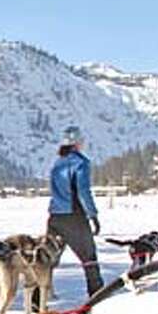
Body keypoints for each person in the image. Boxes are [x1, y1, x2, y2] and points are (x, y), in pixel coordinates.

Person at [47, 125, 103, 297]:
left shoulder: (57, 163)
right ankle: (97, 296)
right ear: (77, 143)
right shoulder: (80, 163)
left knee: (47, 258)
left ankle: (36, 298)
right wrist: (93, 214)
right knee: (89, 257)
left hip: (55, 216)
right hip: (73, 215)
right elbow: (83, 191)